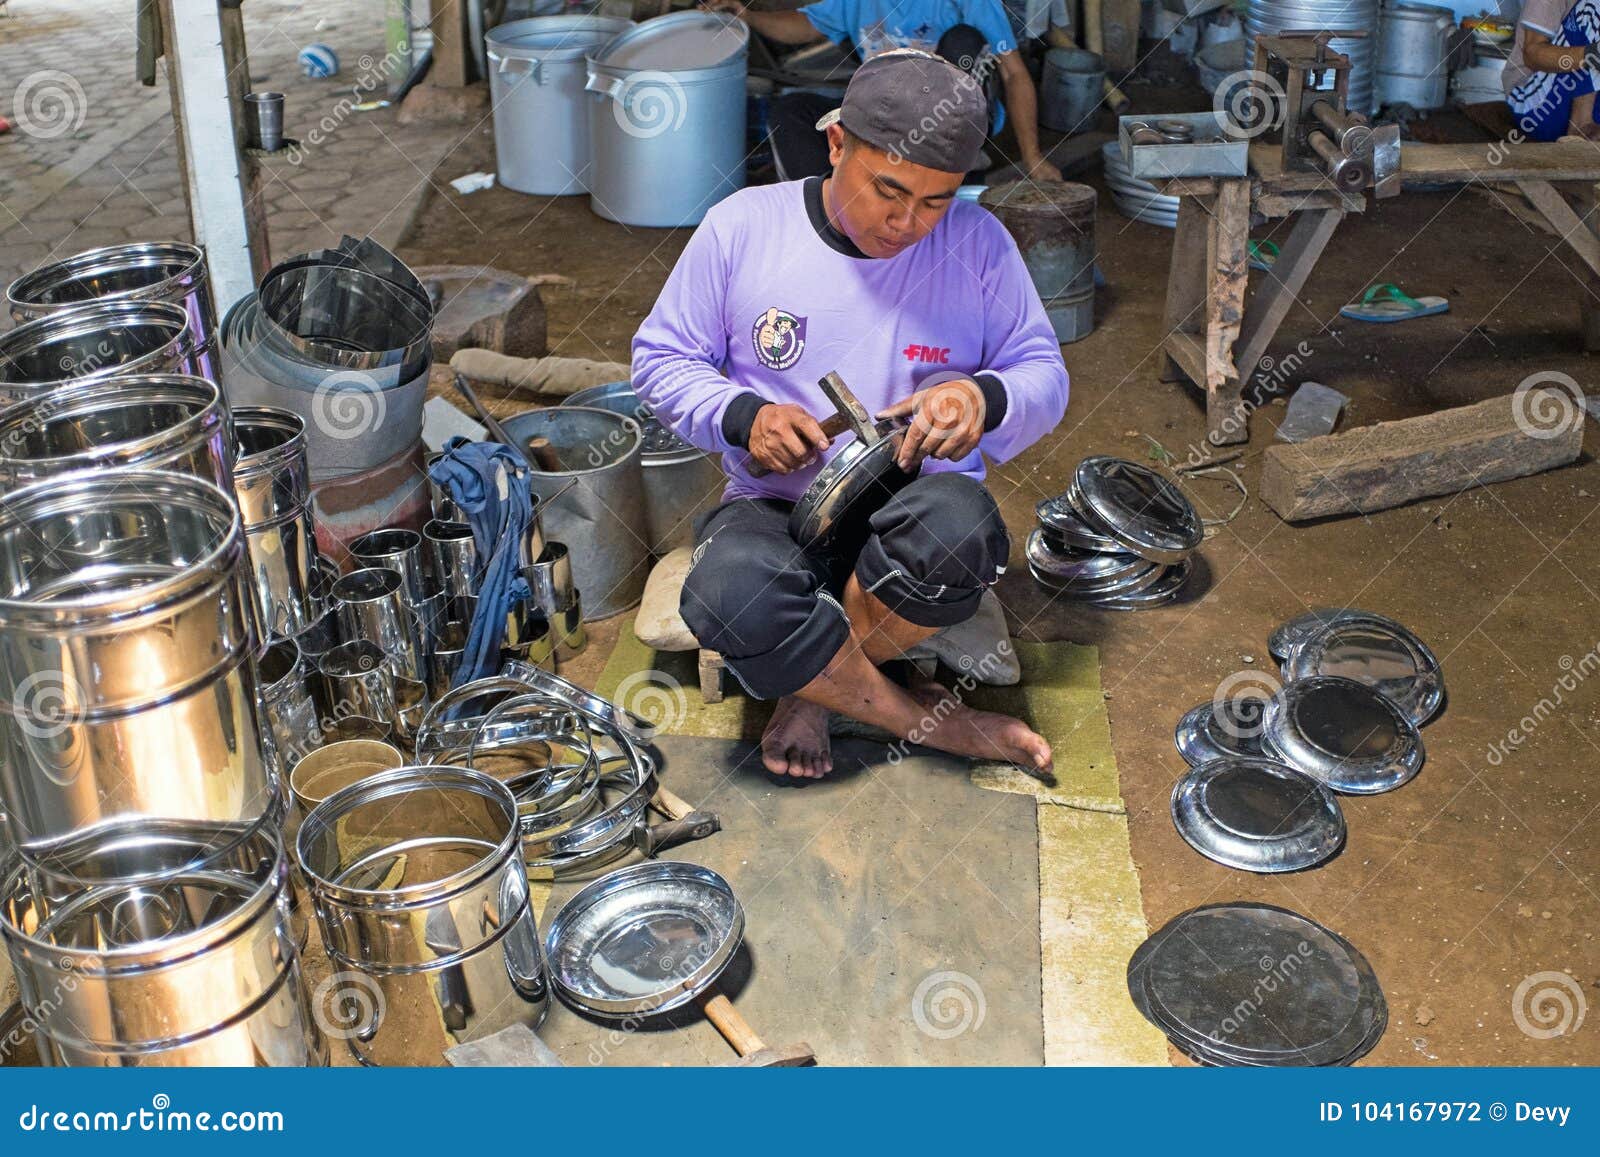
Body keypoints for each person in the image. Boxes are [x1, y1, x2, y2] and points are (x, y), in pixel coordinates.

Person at [632, 50, 1068, 782]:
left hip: (916, 509)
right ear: (837, 144)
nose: (907, 224)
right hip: (777, 507)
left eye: (937, 201)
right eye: (889, 191)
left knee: (964, 537)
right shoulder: (744, 227)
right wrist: (744, 416)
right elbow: (660, 359)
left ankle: (814, 693)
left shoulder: (979, 243)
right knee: (728, 593)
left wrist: (982, 397)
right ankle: (925, 720)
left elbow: (1043, 374)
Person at [703, 0, 1064, 182]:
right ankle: (831, 210)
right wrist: (748, 17)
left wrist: (1033, 158)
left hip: (952, 119)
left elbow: (1015, 74)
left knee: (963, 42)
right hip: (885, 121)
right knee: (790, 112)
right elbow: (805, 25)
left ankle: (955, 160)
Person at [1504, 0, 1600, 141]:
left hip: (1582, 97)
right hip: (1534, 106)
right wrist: (1592, 54)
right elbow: (1531, 55)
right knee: (1593, 6)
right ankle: (1581, 127)